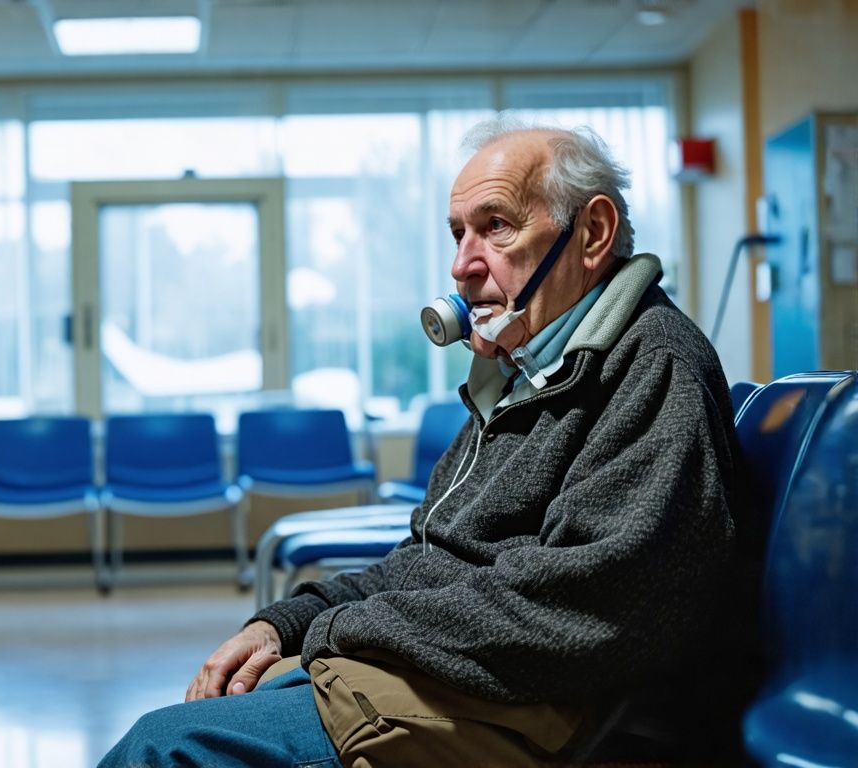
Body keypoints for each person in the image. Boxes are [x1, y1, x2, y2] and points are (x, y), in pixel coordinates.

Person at [99, 118, 748, 767]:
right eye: (458, 233)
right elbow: (427, 557)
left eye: (496, 225)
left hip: (554, 714)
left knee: (164, 749)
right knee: (209, 707)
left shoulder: (649, 367)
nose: (462, 265)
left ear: (593, 232)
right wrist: (288, 622)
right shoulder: (523, 375)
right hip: (474, 680)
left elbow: (592, 604)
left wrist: (338, 630)